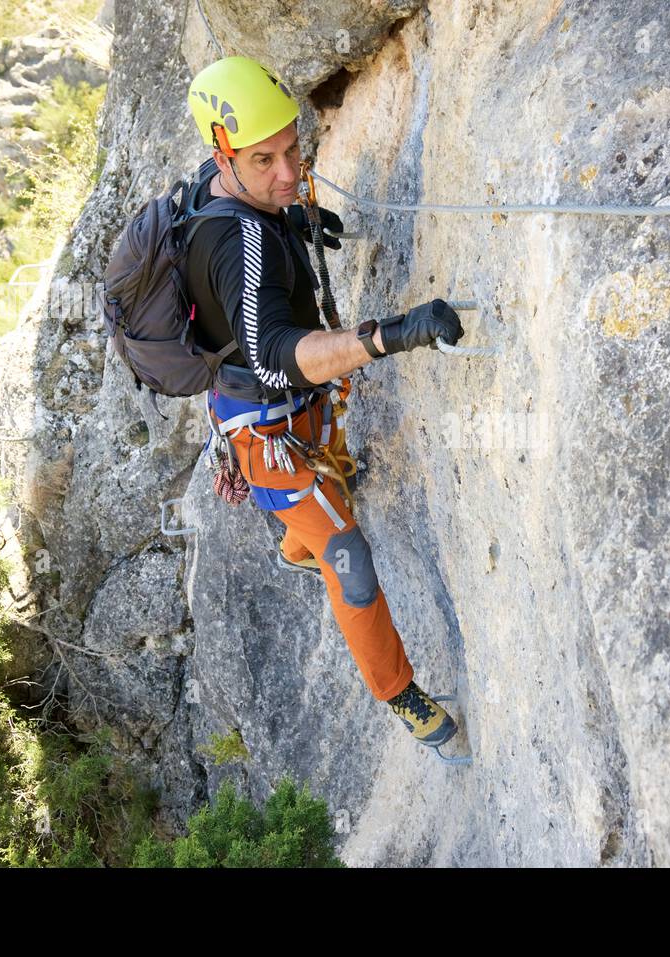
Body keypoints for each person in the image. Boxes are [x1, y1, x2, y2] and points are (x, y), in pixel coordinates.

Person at [184, 56, 465, 750]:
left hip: (254, 411)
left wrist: (297, 217)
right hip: (269, 425)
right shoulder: (239, 241)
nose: (288, 172)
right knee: (350, 556)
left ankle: (292, 541)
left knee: (317, 498)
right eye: (265, 160)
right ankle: (400, 695)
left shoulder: (216, 189)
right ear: (225, 152)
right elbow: (281, 356)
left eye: (292, 149)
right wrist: (390, 336)